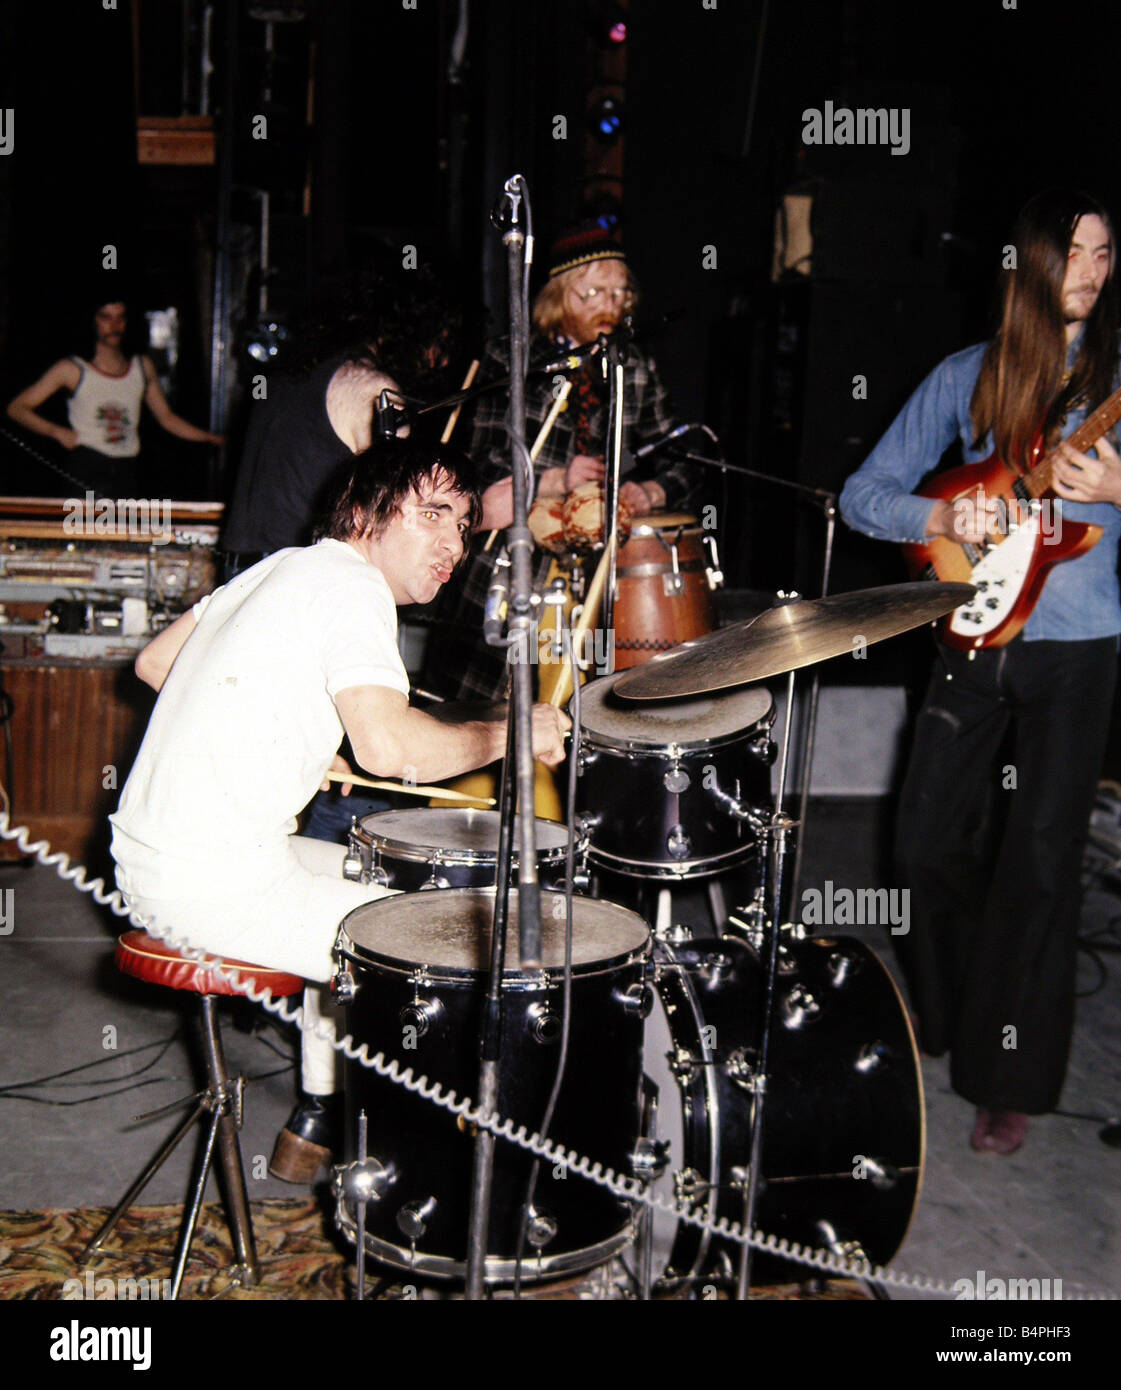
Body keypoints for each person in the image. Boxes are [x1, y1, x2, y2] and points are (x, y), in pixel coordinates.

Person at [110, 438, 570, 1181]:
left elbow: (154, 663)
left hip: (154, 860)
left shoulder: (281, 566)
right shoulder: (354, 590)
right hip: (209, 889)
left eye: (463, 525)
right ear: (362, 514)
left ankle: (317, 1117)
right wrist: (513, 733)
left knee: (369, 874)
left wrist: (286, 730)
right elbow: (391, 752)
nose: (453, 542)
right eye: (432, 515)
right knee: (452, 952)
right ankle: (424, 1179)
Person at [839, 189, 1121, 1156]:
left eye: (1104, 253)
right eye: (1073, 253)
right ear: (1029, 268)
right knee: (919, 845)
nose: (1090, 270)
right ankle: (949, 1009)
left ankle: (1010, 1073)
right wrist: (939, 519)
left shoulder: (1117, 381)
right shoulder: (968, 376)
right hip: (970, 638)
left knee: (1039, 864)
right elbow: (861, 493)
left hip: (1080, 650)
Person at [420, 221, 699, 703]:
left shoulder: (635, 369)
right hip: (511, 558)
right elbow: (476, 466)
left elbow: (682, 457)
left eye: (619, 293)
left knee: (582, 710)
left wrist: (650, 491)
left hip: (601, 570)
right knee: (481, 711)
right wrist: (552, 479)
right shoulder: (514, 360)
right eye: (593, 292)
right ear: (559, 296)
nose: (610, 306)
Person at [6, 298, 223, 497]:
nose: (114, 325)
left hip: (126, 472)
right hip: (86, 469)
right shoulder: (72, 369)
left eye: (121, 318)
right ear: (93, 321)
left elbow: (166, 418)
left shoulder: (142, 367)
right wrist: (55, 431)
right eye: (106, 317)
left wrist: (210, 438)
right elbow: (17, 408)